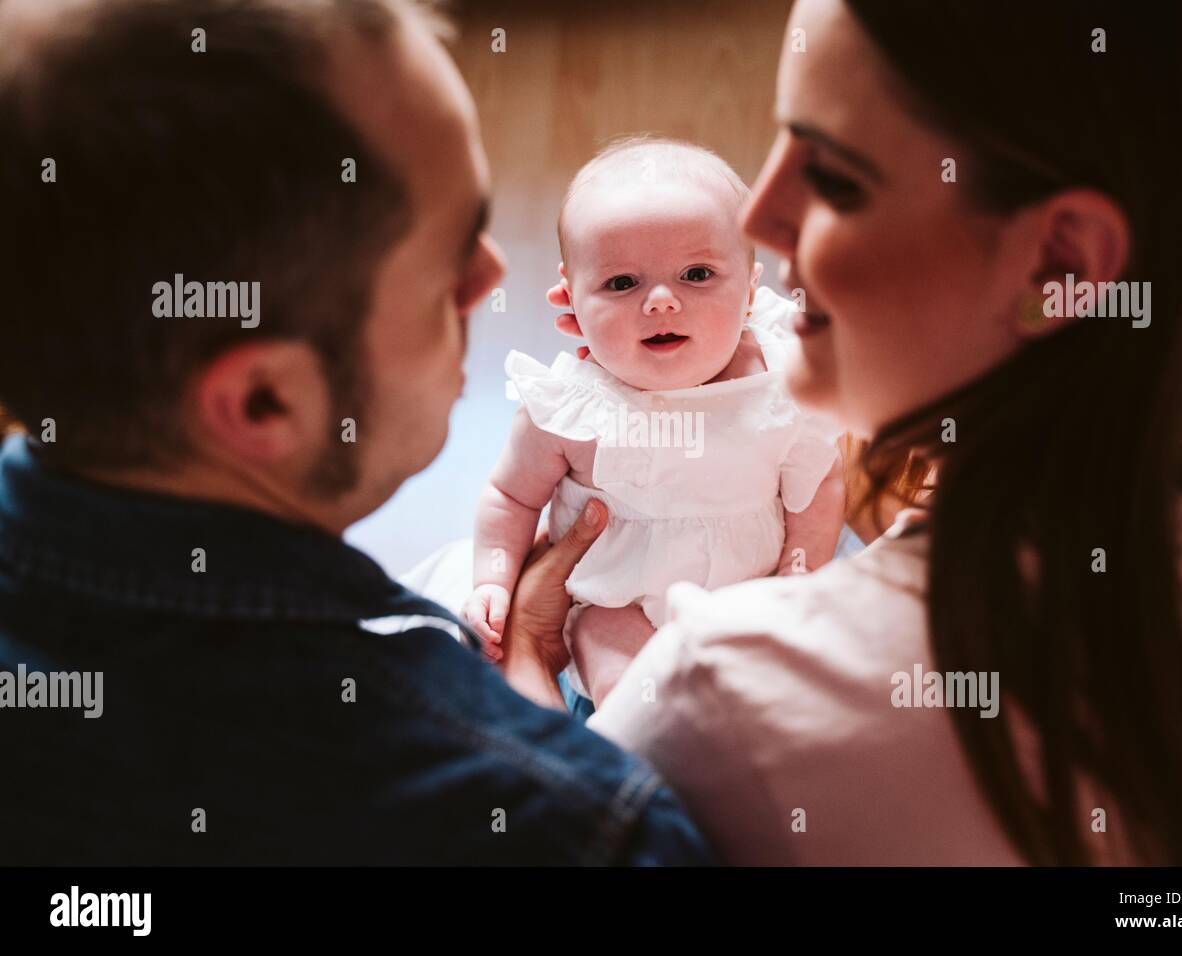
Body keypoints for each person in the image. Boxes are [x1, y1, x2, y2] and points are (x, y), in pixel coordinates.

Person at [505, 0, 1182, 865]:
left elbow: (553, 835)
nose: (761, 222)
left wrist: (527, 661)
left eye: (838, 178)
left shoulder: (720, 691)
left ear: (1059, 264)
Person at [0, 0, 712, 865]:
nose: (493, 272)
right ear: (267, 403)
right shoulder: (562, 826)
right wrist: (528, 671)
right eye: (449, 260)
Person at [463, 136, 843, 715]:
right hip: (619, 604)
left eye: (696, 274)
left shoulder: (779, 380)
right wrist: (494, 579)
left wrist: (798, 579)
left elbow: (816, 487)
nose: (661, 302)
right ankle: (636, 749)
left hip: (754, 590)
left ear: (748, 289)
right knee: (627, 692)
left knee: (792, 692)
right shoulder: (572, 409)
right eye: (621, 284)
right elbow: (510, 494)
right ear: (570, 296)